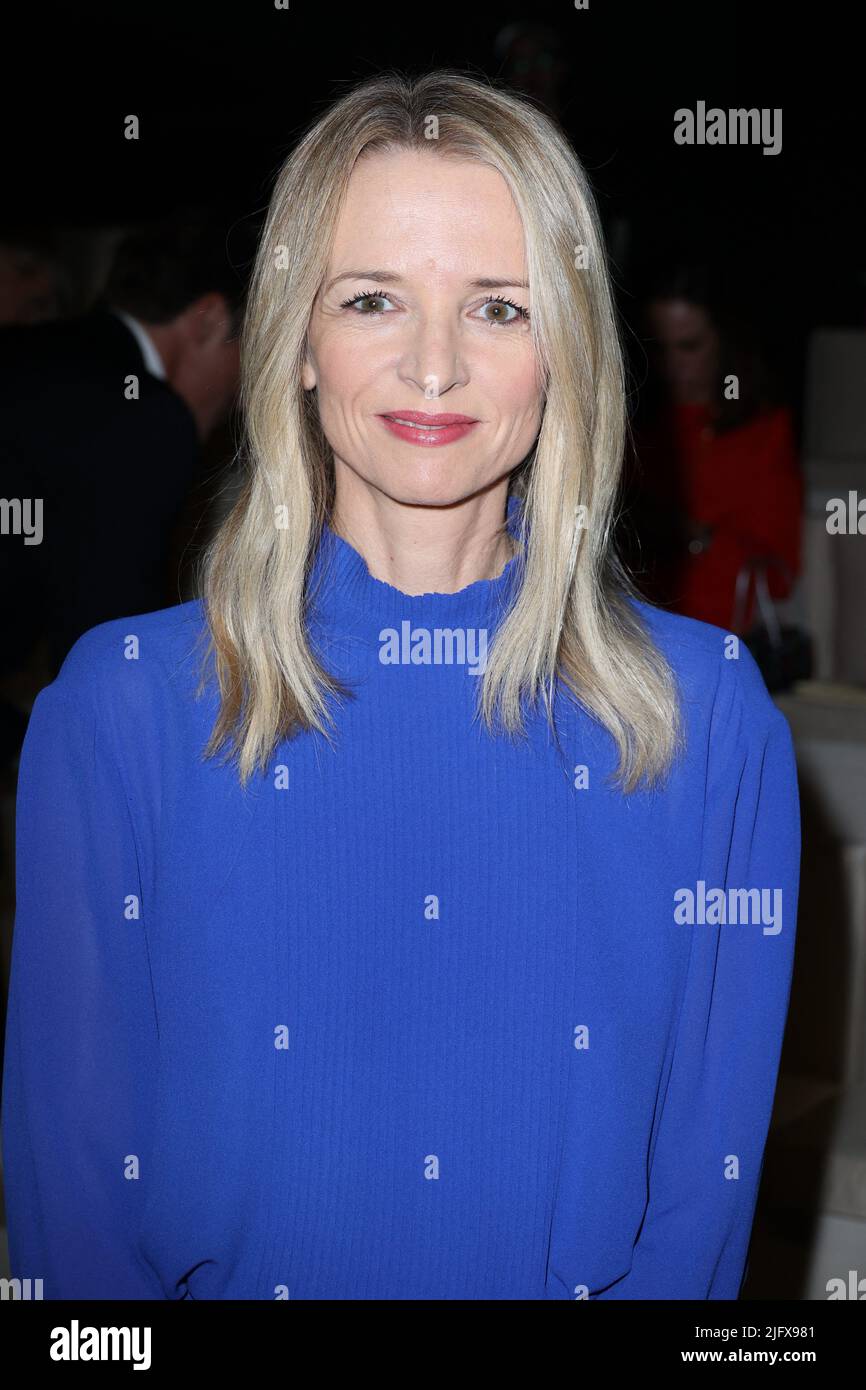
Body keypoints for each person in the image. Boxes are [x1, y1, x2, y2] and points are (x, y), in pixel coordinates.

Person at [1, 70, 800, 1301]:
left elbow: (699, 1211)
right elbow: (76, 1226)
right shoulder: (120, 709)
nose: (434, 366)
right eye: (373, 298)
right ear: (298, 344)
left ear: (564, 355)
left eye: (496, 307)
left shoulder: (703, 718)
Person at [0, 214, 245, 689]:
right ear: (210, 318)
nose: (247, 381)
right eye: (252, 342)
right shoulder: (145, 417)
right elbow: (108, 657)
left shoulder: (27, 350)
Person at [619, 262, 803, 632]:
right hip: (632, 632)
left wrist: (694, 538)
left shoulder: (762, 432)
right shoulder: (631, 425)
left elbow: (776, 575)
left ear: (723, 340)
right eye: (660, 348)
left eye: (689, 347)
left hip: (721, 634)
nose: (673, 366)